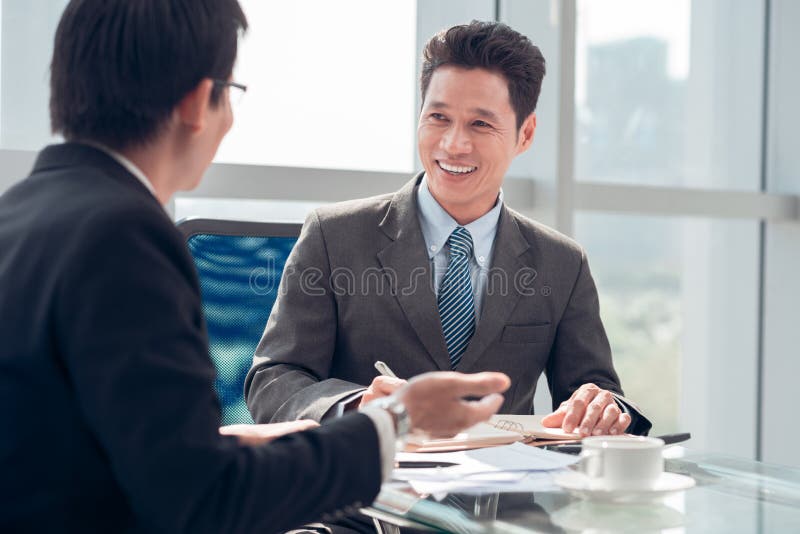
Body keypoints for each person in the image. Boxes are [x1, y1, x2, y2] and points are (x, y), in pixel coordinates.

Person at [0, 2, 512, 532]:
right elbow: (210, 500)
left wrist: (307, 433)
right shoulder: (124, 235)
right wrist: (398, 421)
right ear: (201, 101)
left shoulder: (20, 216)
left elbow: (146, 447)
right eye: (232, 93)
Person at [245, 21, 651, 437]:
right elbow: (274, 379)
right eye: (439, 117)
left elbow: (597, 390)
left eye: (480, 124)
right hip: (368, 485)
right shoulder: (334, 236)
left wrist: (603, 405)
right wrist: (356, 406)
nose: (454, 144)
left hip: (503, 494)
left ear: (524, 133)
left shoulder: (562, 263)